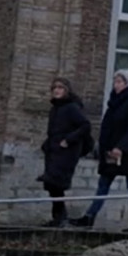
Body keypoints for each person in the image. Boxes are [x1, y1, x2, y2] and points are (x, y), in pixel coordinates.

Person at [76, 69, 128, 233]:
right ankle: (89, 217)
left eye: (119, 82)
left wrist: (121, 147)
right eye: (115, 81)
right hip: (110, 152)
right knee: (103, 185)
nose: (116, 85)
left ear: (127, 83)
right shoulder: (114, 102)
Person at [38, 77, 93, 226]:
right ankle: (59, 216)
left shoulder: (71, 108)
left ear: (66, 91)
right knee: (52, 186)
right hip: (53, 151)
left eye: (60, 88)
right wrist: (47, 145)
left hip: (66, 153)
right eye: (54, 88)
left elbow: (85, 126)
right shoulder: (55, 109)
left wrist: (68, 140)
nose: (57, 90)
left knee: (56, 183)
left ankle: (60, 217)